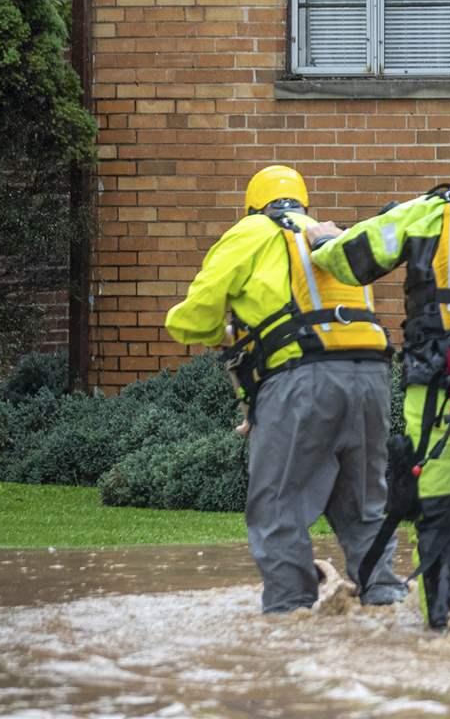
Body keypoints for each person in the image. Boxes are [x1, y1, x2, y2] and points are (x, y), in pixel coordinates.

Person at [308, 124, 450, 630]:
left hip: (437, 397)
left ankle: (446, 630)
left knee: (442, 518)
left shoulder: (428, 212)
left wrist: (323, 239)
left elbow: (348, 260)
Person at [164, 165, 405, 613]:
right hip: (373, 377)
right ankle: (386, 601)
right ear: (303, 204)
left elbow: (194, 315)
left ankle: (288, 614)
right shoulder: (331, 235)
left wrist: (220, 331)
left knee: (277, 507)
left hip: (303, 379)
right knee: (364, 508)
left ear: (253, 207)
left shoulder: (252, 231)